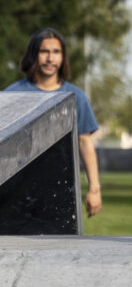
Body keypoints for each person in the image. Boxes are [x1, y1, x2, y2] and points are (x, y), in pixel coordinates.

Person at [4, 28, 102, 216]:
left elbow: (85, 142)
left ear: (63, 57)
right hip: (15, 194)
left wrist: (94, 189)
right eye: (44, 51)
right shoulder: (11, 95)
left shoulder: (76, 97)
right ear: (33, 55)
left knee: (61, 245)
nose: (50, 58)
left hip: (61, 193)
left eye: (56, 52)